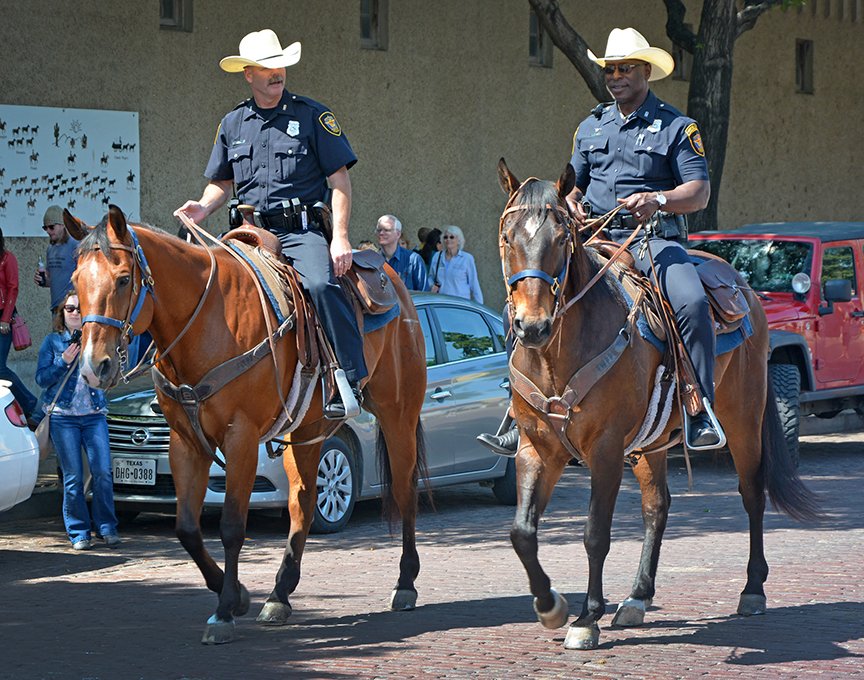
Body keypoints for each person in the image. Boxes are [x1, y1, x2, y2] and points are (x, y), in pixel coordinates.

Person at [478, 27, 717, 456]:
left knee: (691, 302)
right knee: (524, 300)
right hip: (594, 242)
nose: (616, 76)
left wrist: (658, 198)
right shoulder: (590, 126)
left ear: (646, 71)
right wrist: (572, 205)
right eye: (610, 69)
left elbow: (699, 191)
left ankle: (699, 408)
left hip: (652, 242)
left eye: (625, 68)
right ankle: (517, 413)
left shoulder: (678, 126)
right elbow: (572, 186)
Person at [175, 28, 367, 419]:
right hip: (246, 234)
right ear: (248, 73)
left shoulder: (313, 116)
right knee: (206, 286)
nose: (276, 73)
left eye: (279, 65)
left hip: (299, 231)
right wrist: (202, 207)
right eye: (266, 67)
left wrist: (340, 237)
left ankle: (346, 380)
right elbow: (222, 182)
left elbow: (340, 180)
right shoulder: (232, 123)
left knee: (319, 284)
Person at [35, 292, 119, 551]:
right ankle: (79, 532)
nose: (74, 313)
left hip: (94, 416)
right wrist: (63, 362)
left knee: (103, 472)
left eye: (79, 308)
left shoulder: (95, 340)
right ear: (62, 314)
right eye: (69, 309)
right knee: (73, 477)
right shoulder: (52, 342)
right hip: (64, 418)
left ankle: (107, 528)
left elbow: (110, 371)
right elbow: (41, 379)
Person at [0, 226, 39, 423]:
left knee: (0, 368)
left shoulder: (8, 258)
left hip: (2, 319)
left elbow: (13, 288)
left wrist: (6, 318)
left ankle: (30, 403)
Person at [34, 205, 79, 313]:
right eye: (45, 228)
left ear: (62, 225)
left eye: (51, 227)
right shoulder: (50, 249)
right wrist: (43, 280)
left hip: (72, 308)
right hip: (55, 308)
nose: (48, 231)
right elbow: (52, 280)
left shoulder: (75, 245)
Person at [428, 226, 483, 303]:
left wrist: (480, 306)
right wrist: (432, 286)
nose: (448, 240)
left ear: (459, 240)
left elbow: (474, 284)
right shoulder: (437, 256)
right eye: (445, 237)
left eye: (452, 237)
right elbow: (431, 277)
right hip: (440, 303)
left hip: (460, 305)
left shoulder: (467, 258)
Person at [375, 215, 430, 291]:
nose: (381, 233)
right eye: (379, 230)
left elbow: (424, 294)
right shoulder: (373, 260)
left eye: (386, 230)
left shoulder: (413, 260)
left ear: (398, 234)